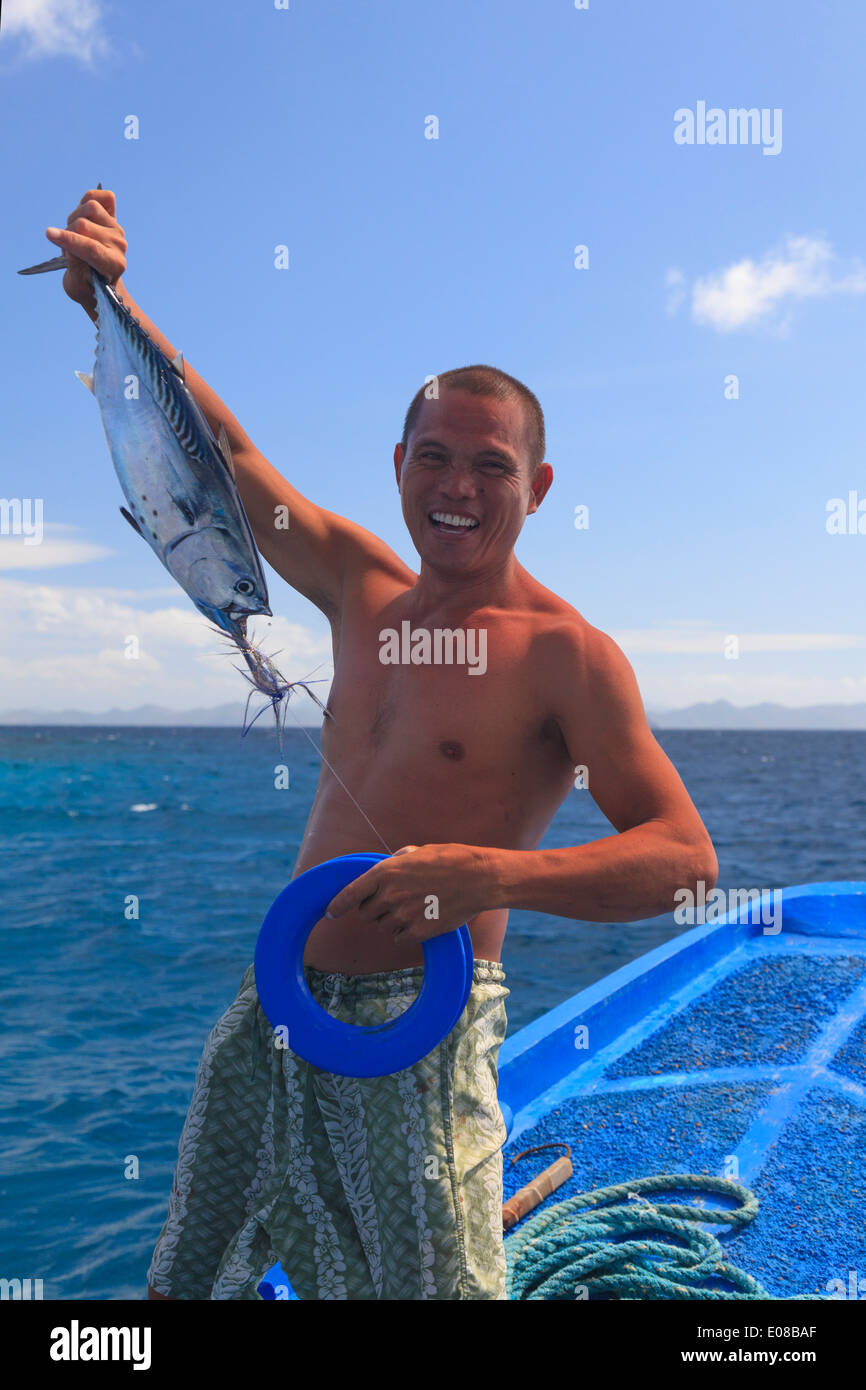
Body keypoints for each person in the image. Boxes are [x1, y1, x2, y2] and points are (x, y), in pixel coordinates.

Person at [46, 188, 718, 1300]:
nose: (457, 488)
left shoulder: (567, 657)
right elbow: (226, 454)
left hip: (425, 1030)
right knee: (189, 1279)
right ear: (396, 462)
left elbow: (683, 858)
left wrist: (488, 877)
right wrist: (109, 300)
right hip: (273, 1008)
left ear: (537, 487)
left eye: (491, 466)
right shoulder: (359, 588)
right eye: (434, 458)